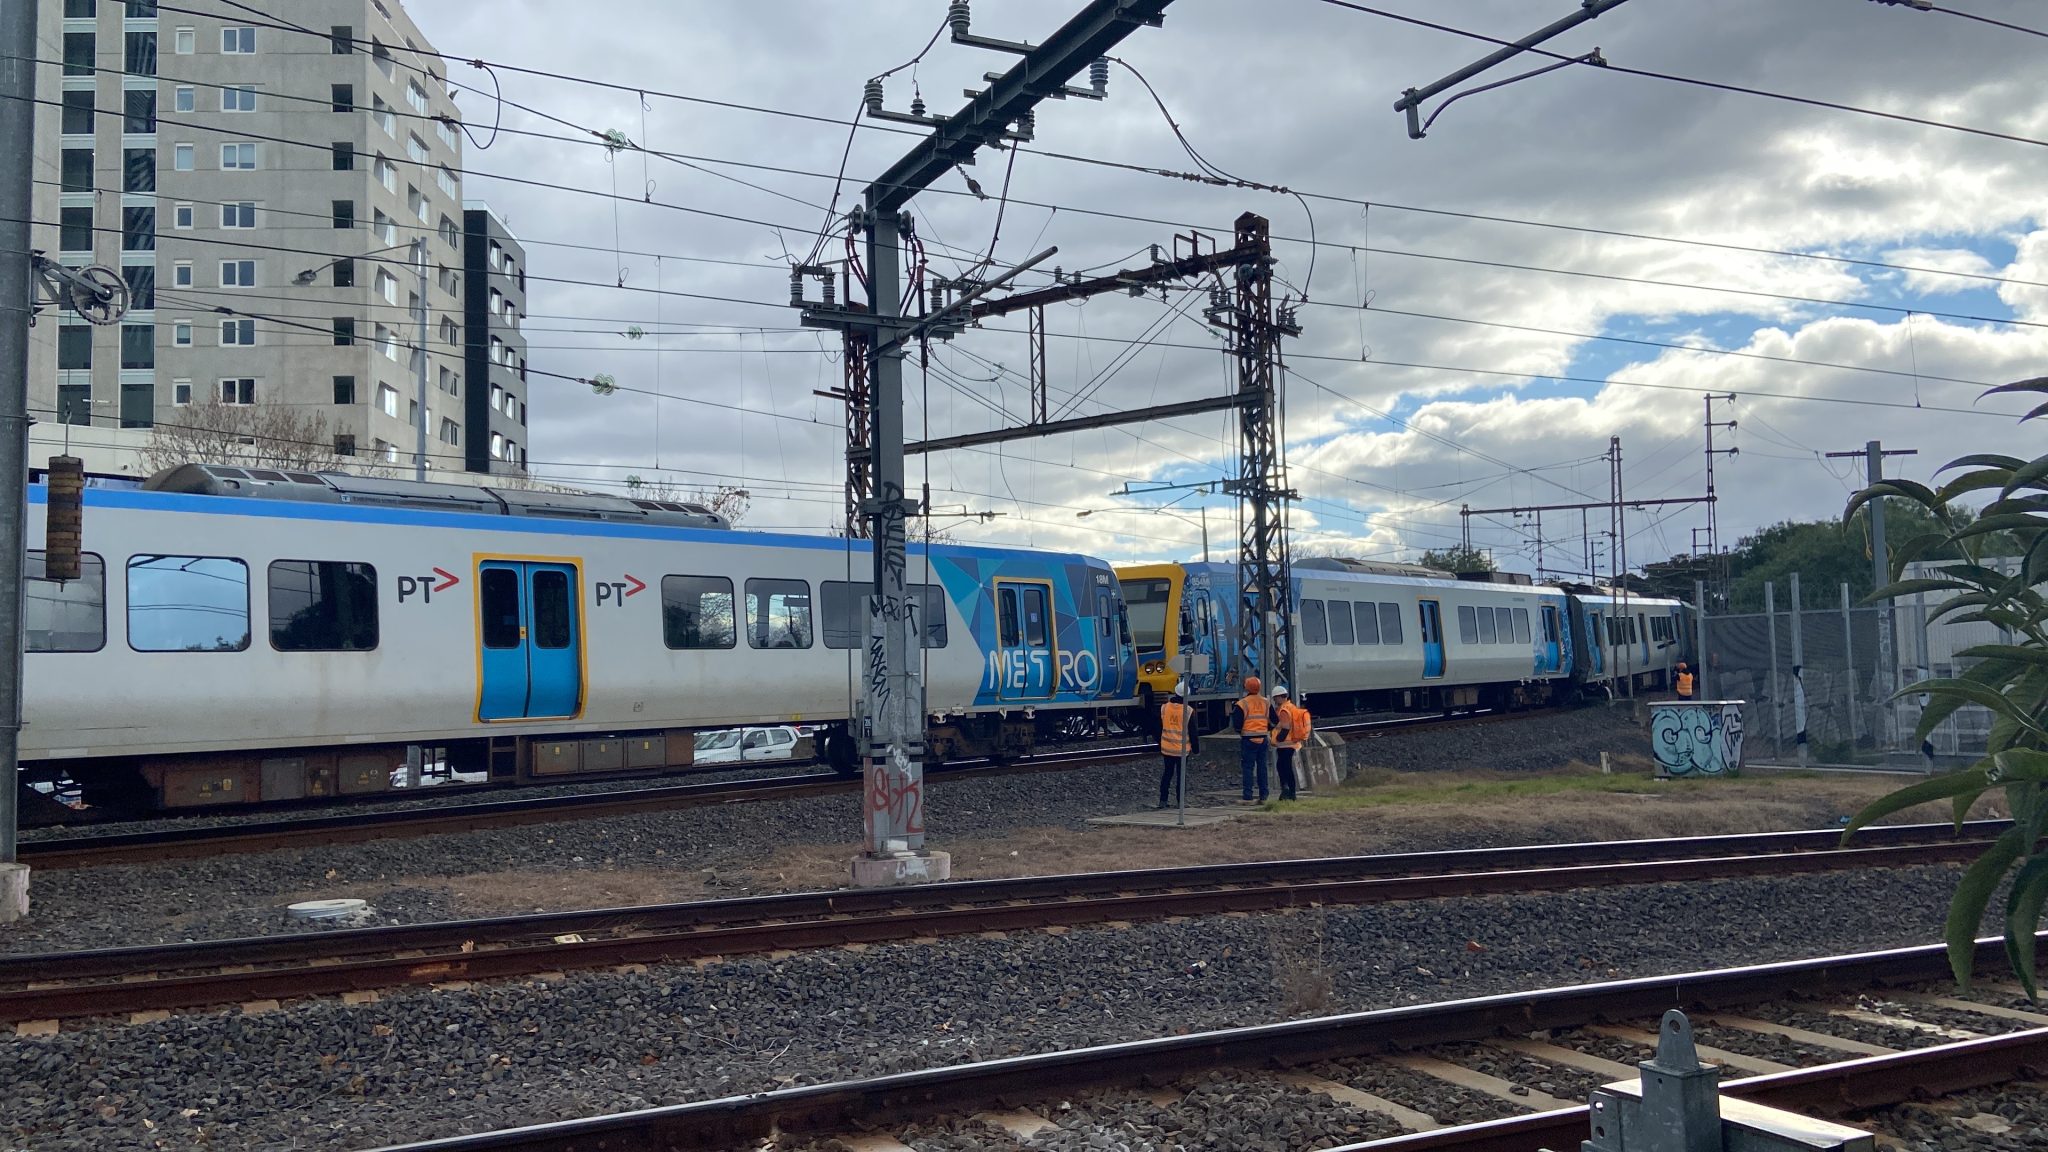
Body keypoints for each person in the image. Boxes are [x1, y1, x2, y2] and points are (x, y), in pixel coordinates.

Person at [1157, 681, 1197, 809]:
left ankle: (1163, 800)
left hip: (1167, 749)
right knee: (1181, 776)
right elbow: (1193, 732)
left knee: (1167, 774)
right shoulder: (1188, 711)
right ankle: (1180, 802)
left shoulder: (1165, 708)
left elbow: (1159, 727)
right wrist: (1196, 749)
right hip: (1182, 750)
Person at [1231, 675, 1271, 803]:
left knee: (1248, 768)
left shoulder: (1242, 704)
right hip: (1263, 738)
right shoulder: (1266, 702)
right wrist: (1265, 728)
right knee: (1262, 767)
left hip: (1248, 739)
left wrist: (1241, 731)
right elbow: (1274, 720)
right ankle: (1264, 795)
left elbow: (1237, 724)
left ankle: (1248, 795)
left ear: (1246, 688)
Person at [1272, 686, 1310, 802]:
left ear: (1279, 697)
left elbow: (1285, 728)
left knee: (1283, 767)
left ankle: (1287, 791)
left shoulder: (1284, 710)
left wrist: (1277, 739)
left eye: (1275, 698)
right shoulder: (1291, 707)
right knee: (1286, 767)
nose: (1274, 700)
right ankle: (1290, 793)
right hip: (1292, 743)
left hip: (1285, 744)